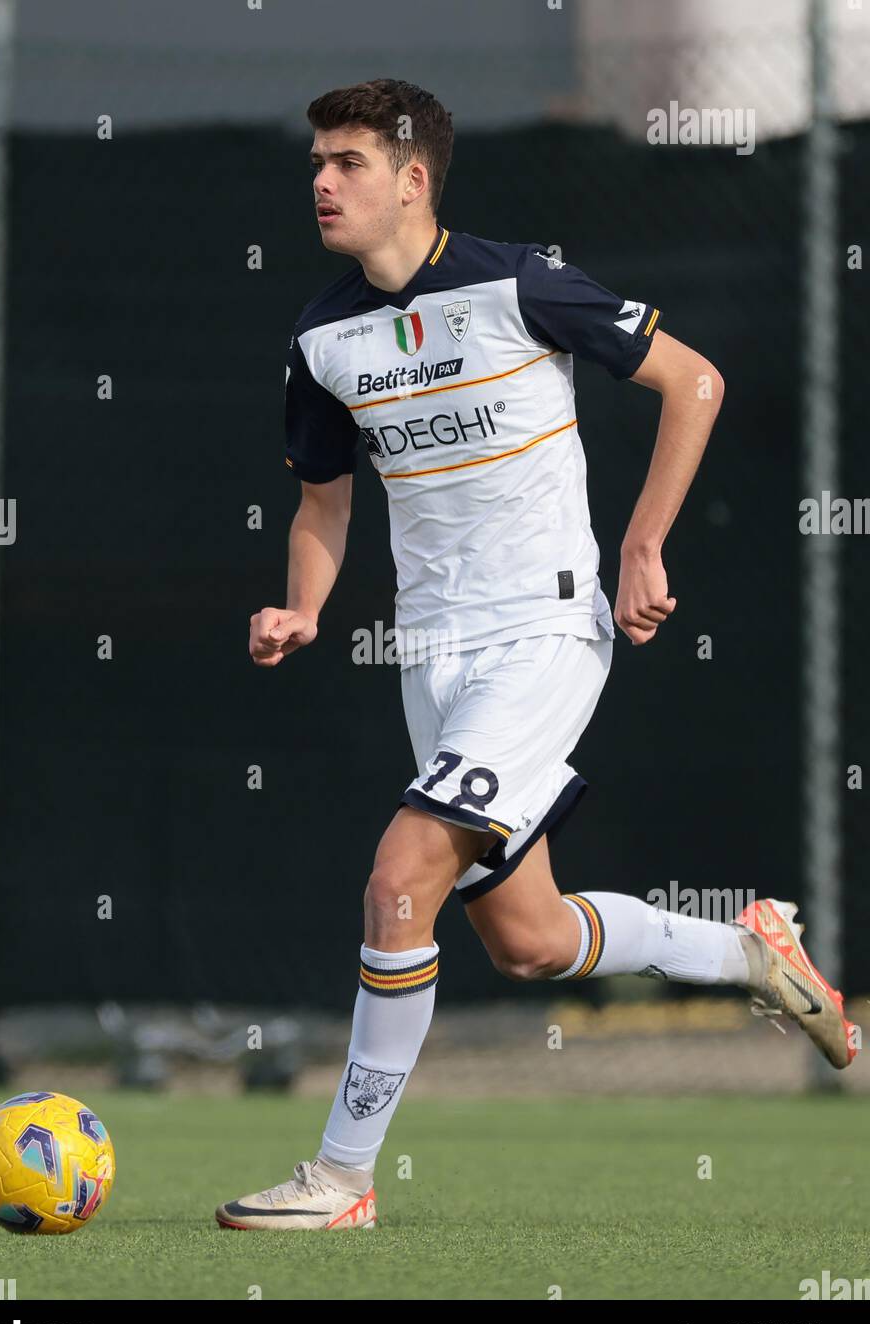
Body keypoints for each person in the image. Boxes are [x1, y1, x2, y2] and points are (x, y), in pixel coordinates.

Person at [216, 78, 855, 1233]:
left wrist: (642, 541)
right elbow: (322, 505)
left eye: (349, 161)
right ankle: (751, 951)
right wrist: (302, 606)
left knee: (399, 873)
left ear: (412, 180)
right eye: (316, 159)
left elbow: (693, 381)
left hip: (546, 633)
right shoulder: (321, 335)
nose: (321, 180)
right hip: (432, 656)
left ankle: (342, 1178)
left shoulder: (519, 282)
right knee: (526, 938)